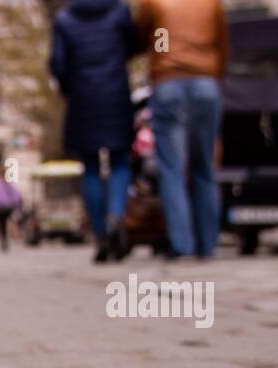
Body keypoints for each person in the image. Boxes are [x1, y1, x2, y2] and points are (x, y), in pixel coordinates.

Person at [136, 0, 229, 259]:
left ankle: (182, 244)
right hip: (205, 84)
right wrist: (214, 76)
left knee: (173, 169)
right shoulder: (211, 3)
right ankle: (207, 244)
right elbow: (222, 42)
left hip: (169, 82)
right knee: (204, 167)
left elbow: (142, 37)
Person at [50, 0, 139, 263]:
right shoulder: (119, 11)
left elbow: (58, 63)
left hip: (83, 96)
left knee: (90, 166)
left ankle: (101, 234)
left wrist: (70, 88)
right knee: (120, 160)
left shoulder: (65, 18)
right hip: (115, 92)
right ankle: (115, 216)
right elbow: (133, 46)